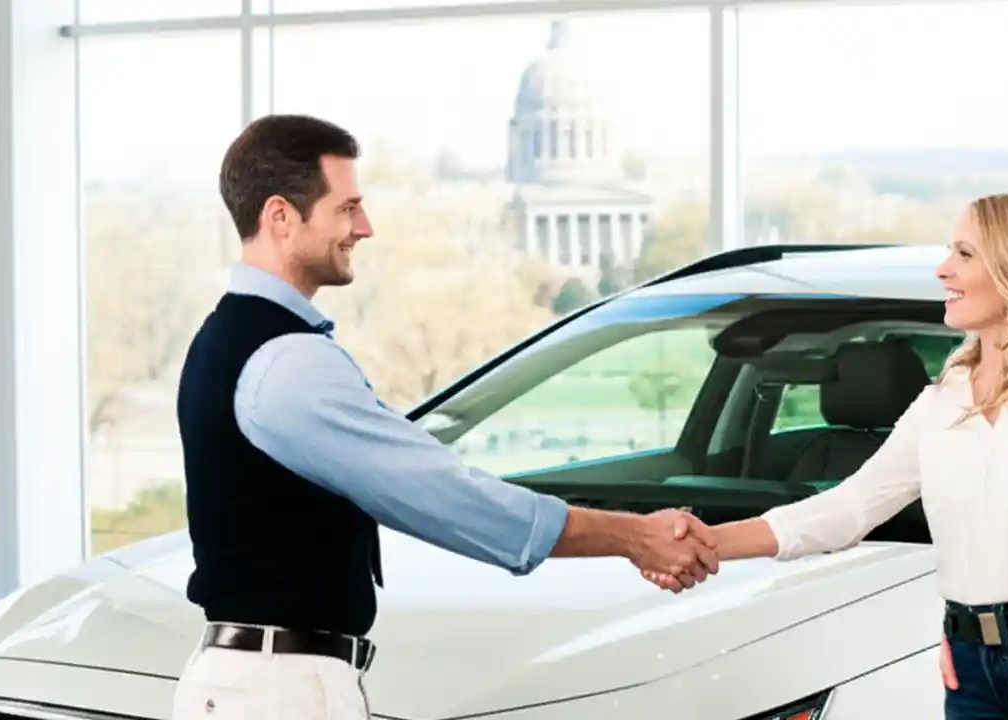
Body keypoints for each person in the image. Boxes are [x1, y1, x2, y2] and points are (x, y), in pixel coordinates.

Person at [171, 114, 718, 720]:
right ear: (280, 216)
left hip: (264, 682)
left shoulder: (235, 338)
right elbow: (444, 495)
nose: (365, 227)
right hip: (278, 693)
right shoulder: (285, 362)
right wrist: (633, 536)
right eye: (346, 208)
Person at [645, 192, 1008, 719]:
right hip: (970, 661)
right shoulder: (944, 398)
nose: (943, 269)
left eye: (965, 254)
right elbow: (848, 508)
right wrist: (708, 543)